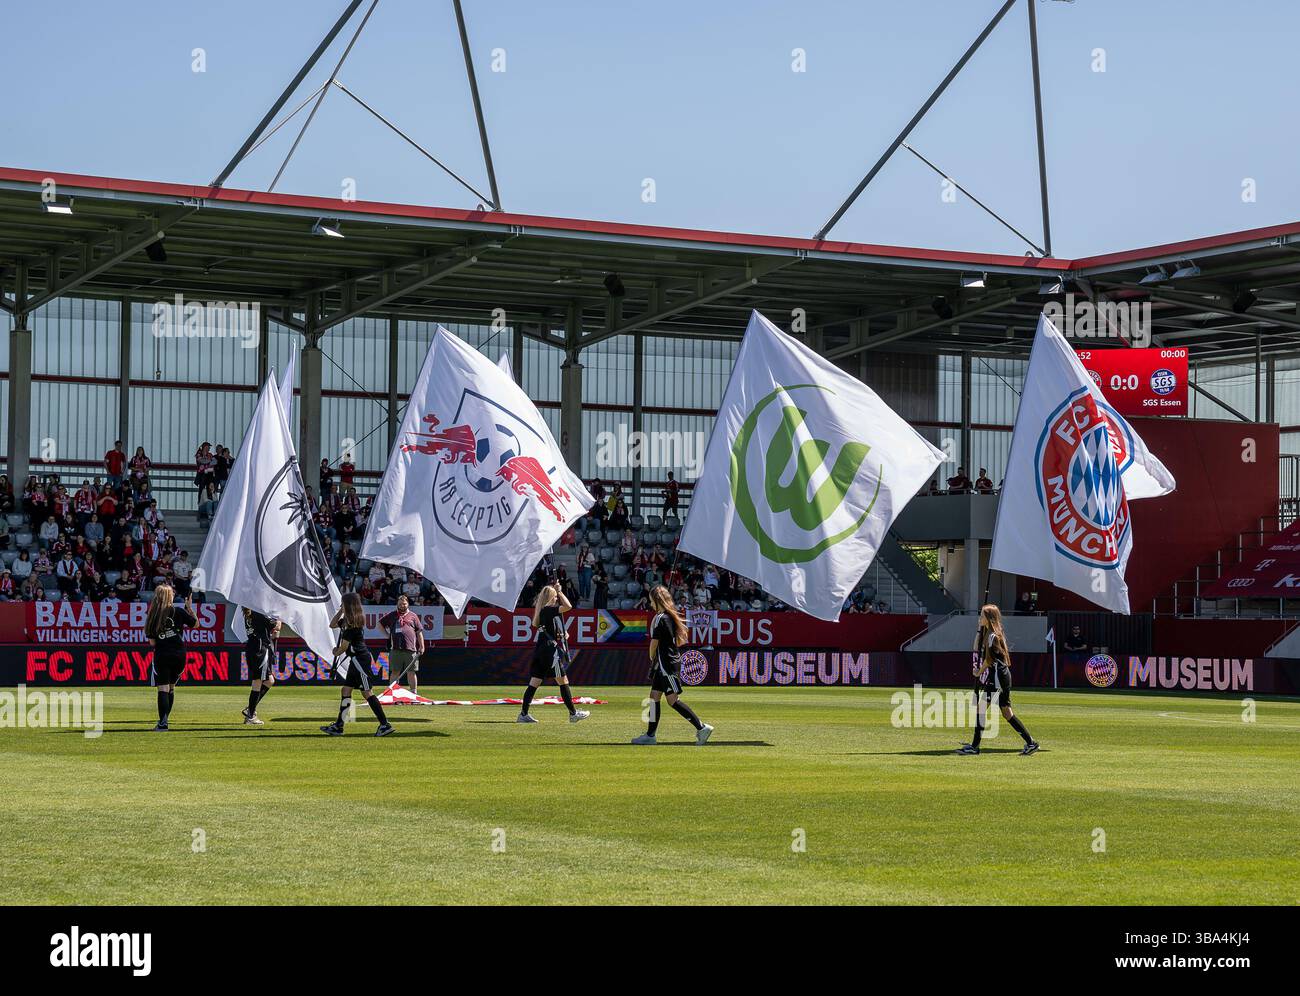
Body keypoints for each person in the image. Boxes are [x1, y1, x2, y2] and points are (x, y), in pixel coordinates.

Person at [632, 585, 713, 745]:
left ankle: (701, 727)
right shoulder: (668, 616)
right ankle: (650, 735)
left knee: (672, 700)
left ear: (657, 600)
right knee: (654, 697)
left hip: (665, 665)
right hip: (666, 663)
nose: (650, 604)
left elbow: (654, 644)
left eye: (651, 600)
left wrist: (652, 658)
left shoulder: (662, 618)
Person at [957, 604, 1040, 757]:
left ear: (988, 618)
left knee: (983, 708)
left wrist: (978, 672)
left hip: (998, 678)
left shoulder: (992, 636)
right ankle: (1031, 743)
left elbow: (988, 660)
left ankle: (974, 747)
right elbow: (978, 646)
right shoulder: (991, 633)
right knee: (1006, 713)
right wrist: (979, 629)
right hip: (999, 677)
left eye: (982, 616)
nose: (979, 618)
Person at [321, 592, 394, 737]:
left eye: (343, 603)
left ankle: (385, 724)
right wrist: (341, 611)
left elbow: (343, 646)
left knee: (367, 693)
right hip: (355, 660)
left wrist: (337, 651)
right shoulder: (348, 622)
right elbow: (332, 624)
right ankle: (339, 726)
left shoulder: (352, 626)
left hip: (360, 660)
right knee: (346, 690)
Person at [516, 581, 589, 725]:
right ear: (550, 597)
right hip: (550, 651)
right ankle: (573, 713)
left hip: (541, 650)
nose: (556, 599)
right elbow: (568, 606)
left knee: (534, 682)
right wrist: (560, 591)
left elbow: (548, 630)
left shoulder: (542, 611)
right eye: (555, 597)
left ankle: (523, 713)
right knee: (563, 681)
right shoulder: (549, 610)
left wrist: (561, 635)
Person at [145, 584, 196, 731]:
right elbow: (196, 624)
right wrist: (190, 609)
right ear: (170, 596)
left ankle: (163, 723)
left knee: (163, 688)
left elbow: (152, 642)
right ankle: (165, 721)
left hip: (162, 654)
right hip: (179, 655)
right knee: (171, 688)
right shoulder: (178, 611)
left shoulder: (153, 615)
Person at [380, 595, 426, 694]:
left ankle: (413, 692)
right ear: (397, 604)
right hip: (396, 649)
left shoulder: (413, 616)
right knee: (395, 672)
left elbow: (419, 632)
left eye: (404, 604)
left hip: (410, 649)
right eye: (400, 604)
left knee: (411, 672)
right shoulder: (392, 615)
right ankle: (392, 692)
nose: (402, 606)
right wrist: (387, 635)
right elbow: (379, 624)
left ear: (408, 604)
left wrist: (422, 646)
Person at [241, 609, 281, 725]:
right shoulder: (257, 613)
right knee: (258, 681)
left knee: (269, 681)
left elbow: (269, 629)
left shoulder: (251, 613)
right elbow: (276, 625)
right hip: (259, 649)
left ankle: (250, 709)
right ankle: (250, 716)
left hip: (254, 647)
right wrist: (281, 615)